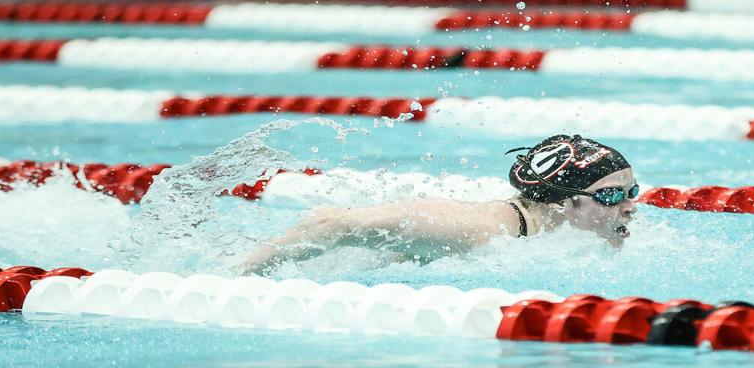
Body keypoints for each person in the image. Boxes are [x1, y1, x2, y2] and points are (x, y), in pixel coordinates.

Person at [236, 134, 639, 273]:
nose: (630, 207)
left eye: (632, 192)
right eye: (611, 196)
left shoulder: (542, 232)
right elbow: (328, 224)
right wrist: (236, 280)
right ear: (563, 204)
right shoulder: (478, 230)